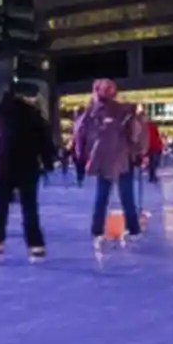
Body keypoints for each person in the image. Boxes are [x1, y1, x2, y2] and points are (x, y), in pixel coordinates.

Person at [0, 84, 54, 258]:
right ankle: (35, 244)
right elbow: (45, 139)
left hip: (1, 166)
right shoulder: (32, 113)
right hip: (27, 165)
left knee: (1, 207)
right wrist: (47, 161)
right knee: (29, 207)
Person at [73, 78, 145, 251]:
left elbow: (79, 135)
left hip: (104, 159)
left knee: (103, 196)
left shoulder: (91, 112)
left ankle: (98, 230)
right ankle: (133, 229)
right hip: (121, 158)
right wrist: (137, 150)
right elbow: (134, 134)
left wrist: (81, 156)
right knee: (125, 196)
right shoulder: (121, 111)